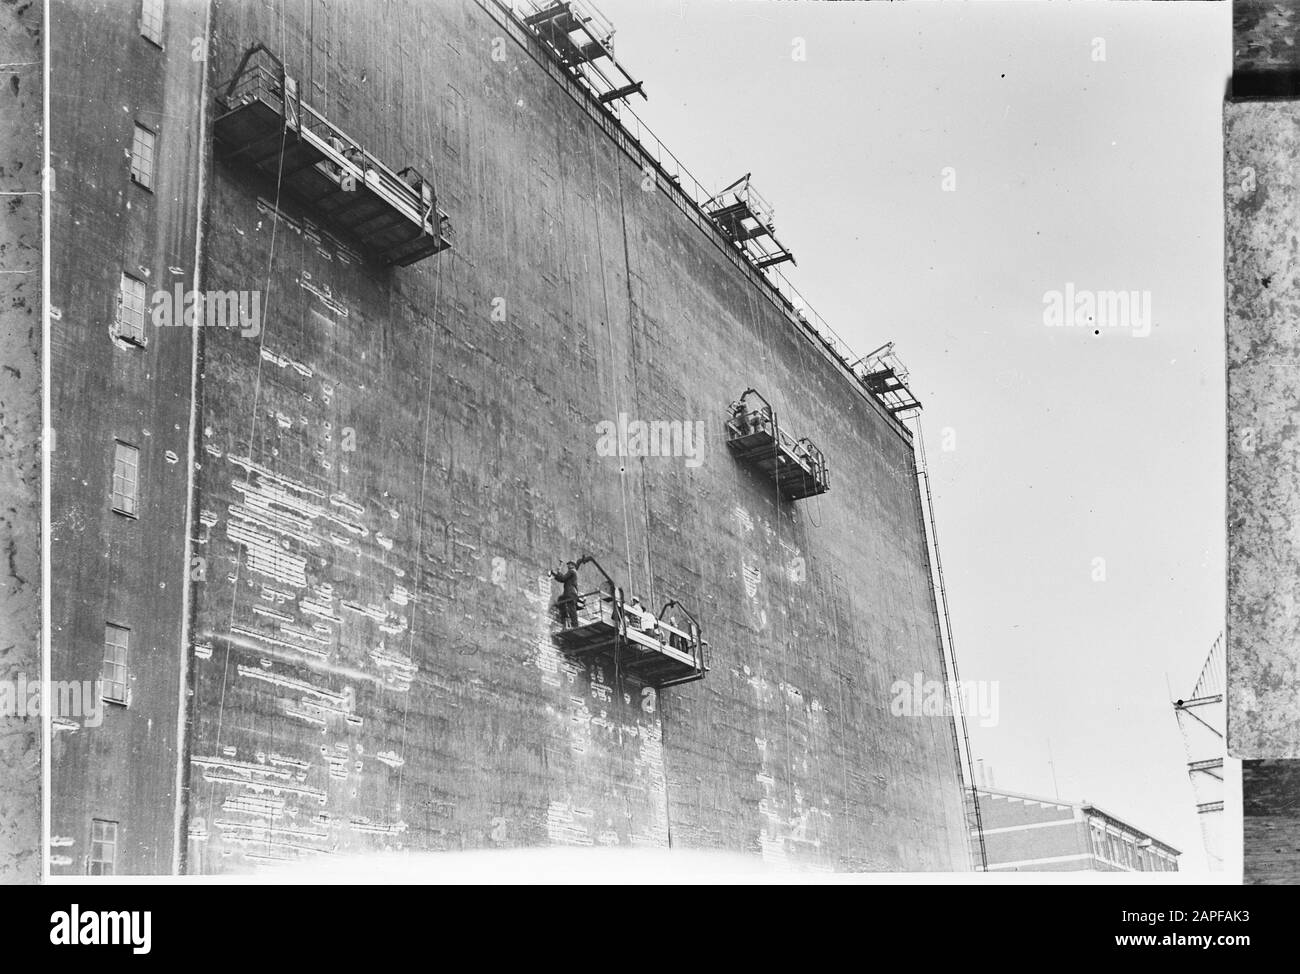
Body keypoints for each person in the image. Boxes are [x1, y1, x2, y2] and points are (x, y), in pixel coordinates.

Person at [551, 560, 579, 628]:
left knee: (571, 608)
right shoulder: (572, 572)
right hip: (570, 593)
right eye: (568, 564)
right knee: (561, 600)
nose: (568, 565)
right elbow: (562, 579)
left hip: (570, 593)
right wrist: (556, 574)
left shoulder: (572, 571)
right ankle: (564, 617)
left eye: (569, 564)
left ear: (573, 565)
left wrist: (557, 573)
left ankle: (575, 625)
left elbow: (563, 578)